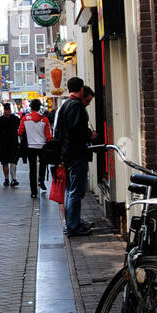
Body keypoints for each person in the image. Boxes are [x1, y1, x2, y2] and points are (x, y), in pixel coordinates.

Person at [54, 78, 96, 236]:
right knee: (75, 192)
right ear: (81, 89)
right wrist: (89, 134)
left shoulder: (65, 105)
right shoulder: (76, 106)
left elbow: (59, 131)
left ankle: (74, 221)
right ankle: (73, 226)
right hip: (77, 153)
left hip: (67, 153)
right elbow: (76, 130)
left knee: (70, 190)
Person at [18, 98, 53, 198]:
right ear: (39, 107)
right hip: (42, 146)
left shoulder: (25, 118)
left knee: (32, 169)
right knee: (43, 164)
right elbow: (49, 136)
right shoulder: (45, 119)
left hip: (30, 147)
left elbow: (20, 132)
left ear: (31, 107)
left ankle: (33, 192)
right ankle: (41, 180)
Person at [0, 102, 22, 187]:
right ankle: (6, 178)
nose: (8, 111)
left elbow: (20, 131)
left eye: (9, 110)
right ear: (4, 110)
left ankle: (14, 179)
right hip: (3, 144)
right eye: (6, 110)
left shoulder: (16, 119)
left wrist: (21, 141)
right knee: (5, 163)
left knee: (13, 161)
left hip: (14, 144)